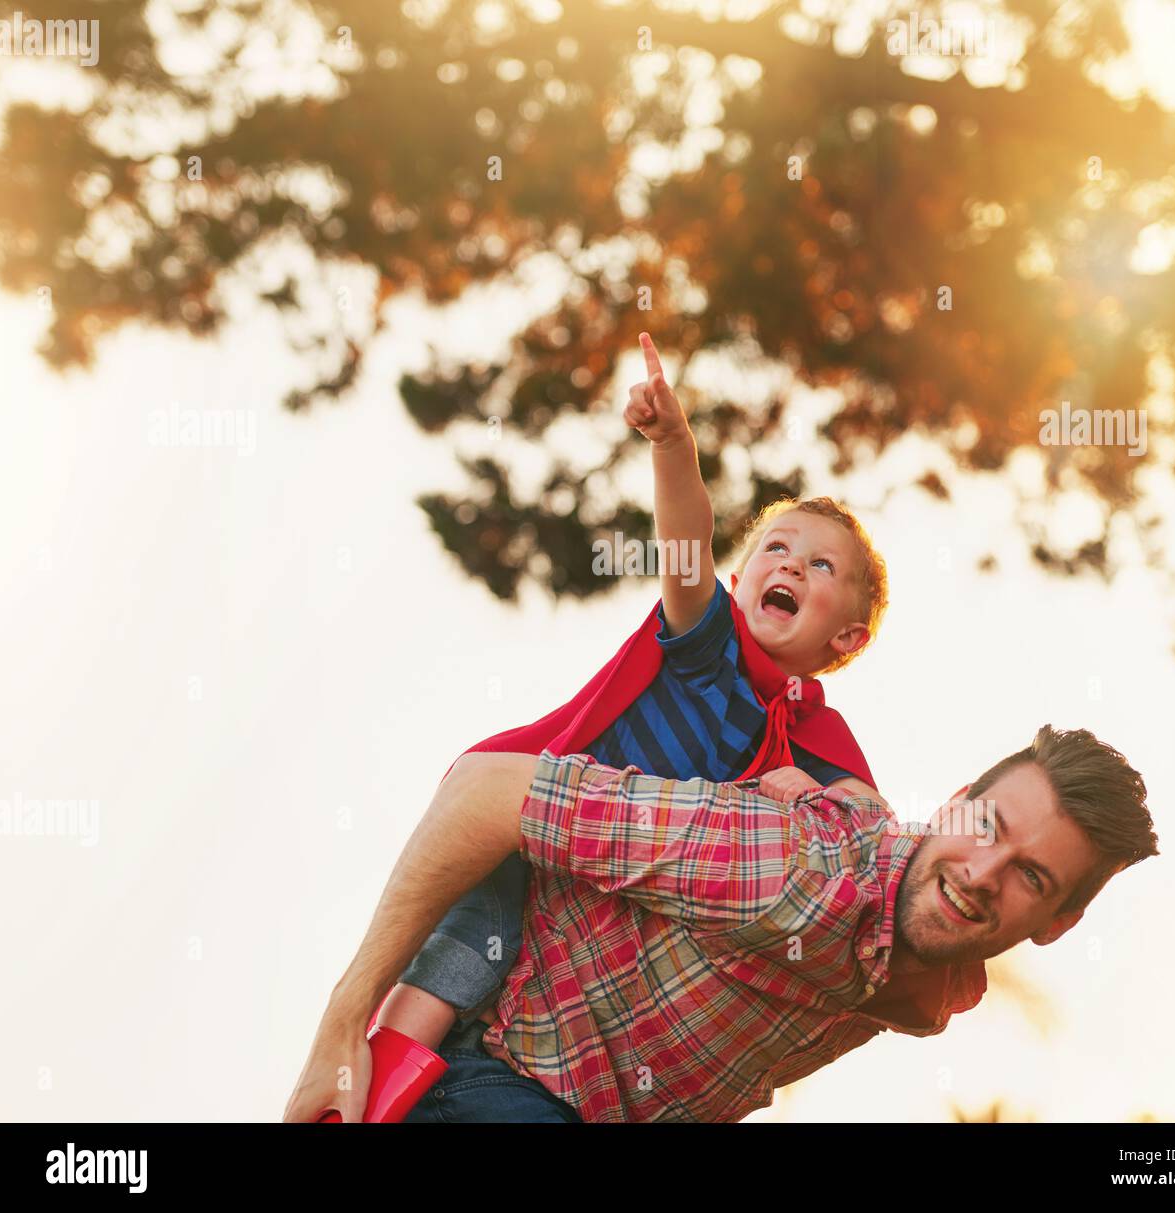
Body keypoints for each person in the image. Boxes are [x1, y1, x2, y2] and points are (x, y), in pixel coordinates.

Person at [368, 333, 890, 1100]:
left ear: (845, 639)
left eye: (821, 566)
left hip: (597, 918)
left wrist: (807, 791)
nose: (790, 565)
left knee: (501, 997)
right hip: (538, 840)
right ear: (741, 582)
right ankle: (376, 1082)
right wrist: (674, 443)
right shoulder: (707, 644)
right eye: (778, 548)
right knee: (461, 957)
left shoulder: (805, 735)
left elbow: (871, 825)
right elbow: (687, 540)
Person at [283, 723, 1158, 1123]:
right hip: (493, 1072)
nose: (981, 874)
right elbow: (485, 794)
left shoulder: (928, 985)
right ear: (956, 804)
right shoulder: (786, 865)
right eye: (986, 828)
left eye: (1030, 876)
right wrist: (340, 1025)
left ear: (1060, 920)